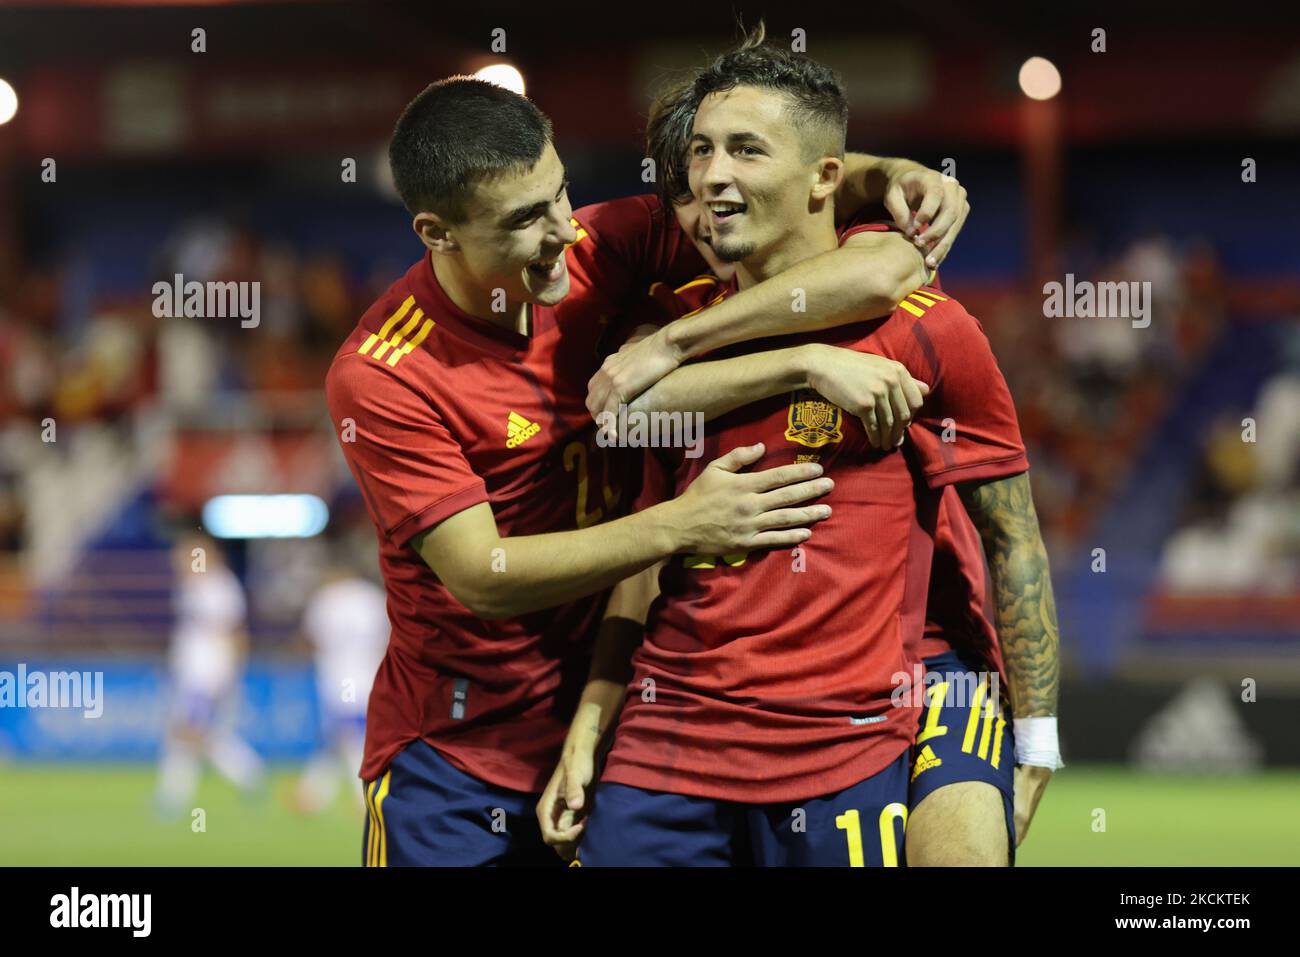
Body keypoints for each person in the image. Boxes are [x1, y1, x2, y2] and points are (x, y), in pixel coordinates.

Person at [327, 74, 968, 866]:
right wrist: (686, 522)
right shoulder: (385, 372)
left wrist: (892, 175)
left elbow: (846, 240)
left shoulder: (604, 248)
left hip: (621, 715)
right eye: (526, 219)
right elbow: (482, 574)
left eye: (560, 194)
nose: (563, 230)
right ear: (438, 233)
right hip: (458, 755)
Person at [541, 35, 1060, 866]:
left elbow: (1014, 538)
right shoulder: (666, 331)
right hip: (670, 729)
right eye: (701, 157)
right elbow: (641, 525)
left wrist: (1036, 740)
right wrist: (594, 716)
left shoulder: (927, 325)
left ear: (829, 176)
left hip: (865, 715)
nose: (712, 178)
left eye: (745, 150)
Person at [156, 531, 265, 818]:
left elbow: (234, 634)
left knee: (187, 733)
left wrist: (227, 673)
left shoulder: (219, 588)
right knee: (192, 734)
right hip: (190, 672)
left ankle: (175, 796)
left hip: (207, 674)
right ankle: (246, 774)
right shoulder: (191, 588)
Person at [293, 558, 388, 814]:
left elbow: (312, 639)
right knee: (344, 736)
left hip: (337, 678)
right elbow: (386, 639)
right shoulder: (372, 597)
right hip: (367, 675)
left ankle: (363, 797)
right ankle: (312, 793)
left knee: (348, 736)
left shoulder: (326, 598)